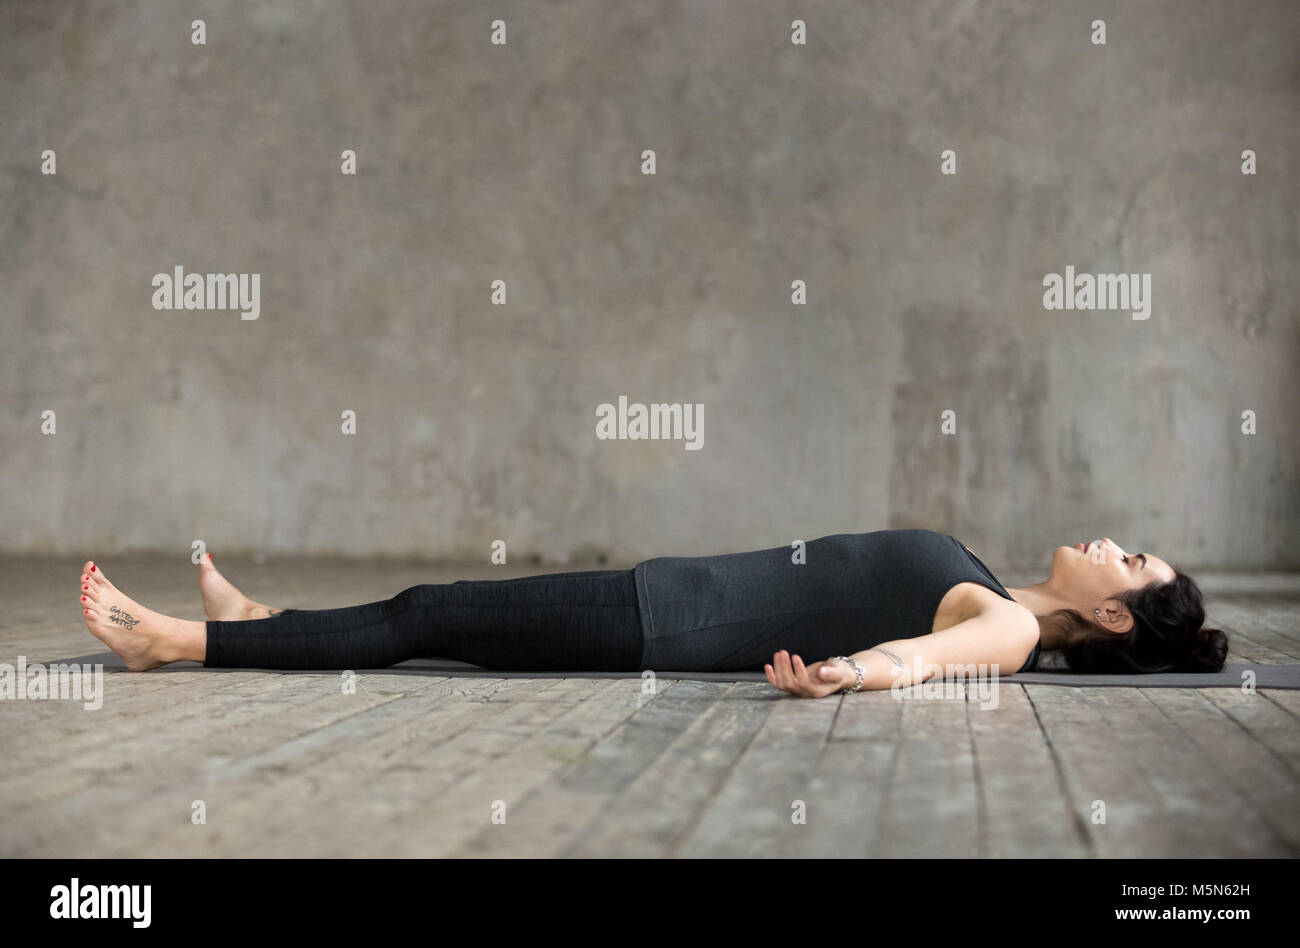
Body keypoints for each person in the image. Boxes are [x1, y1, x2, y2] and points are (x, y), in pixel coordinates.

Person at [77, 529, 1228, 698]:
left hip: (654, 623)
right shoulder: (992, 571)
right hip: (664, 597)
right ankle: (268, 614)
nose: (1110, 540)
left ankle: (173, 641)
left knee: (429, 607)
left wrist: (851, 675)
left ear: (1116, 617)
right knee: (432, 616)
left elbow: (929, 660)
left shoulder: (1015, 625)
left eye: (1129, 560)